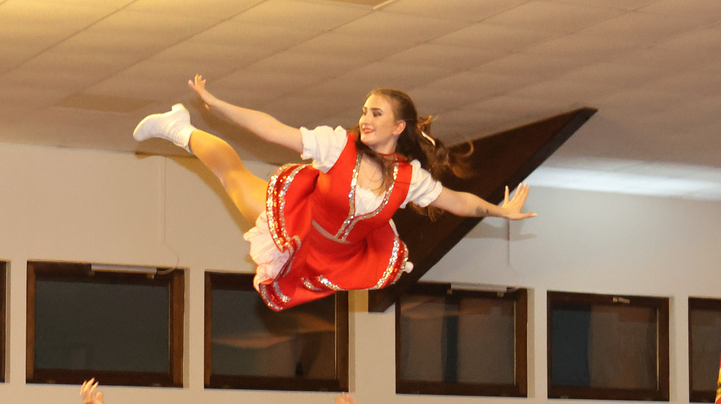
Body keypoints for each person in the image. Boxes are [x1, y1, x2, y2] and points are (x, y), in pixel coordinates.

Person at [133, 76, 535, 311]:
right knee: (233, 176)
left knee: (234, 181)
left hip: (336, 258)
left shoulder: (409, 177)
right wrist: (219, 105)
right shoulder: (336, 145)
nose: (365, 119)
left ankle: (180, 129)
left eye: (376, 113)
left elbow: (459, 202)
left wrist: (500, 212)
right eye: (364, 111)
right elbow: (272, 129)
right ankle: (179, 128)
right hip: (298, 224)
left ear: (399, 127)